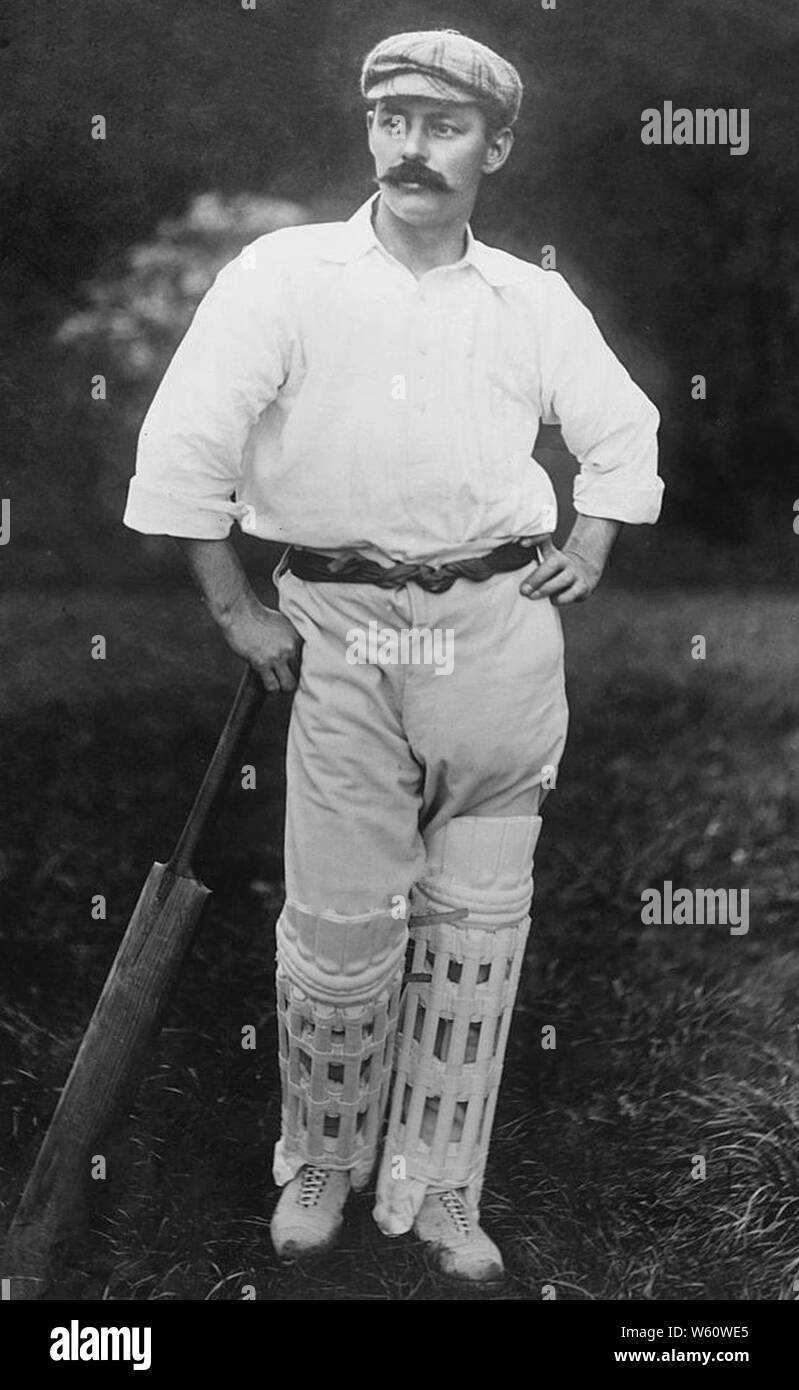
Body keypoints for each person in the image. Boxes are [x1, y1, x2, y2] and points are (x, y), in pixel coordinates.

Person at [123, 27, 663, 1284]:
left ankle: (439, 1183)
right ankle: (322, 1152)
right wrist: (232, 613)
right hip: (341, 626)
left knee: (476, 915)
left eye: (446, 125)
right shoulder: (285, 275)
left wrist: (588, 536)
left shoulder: (529, 298)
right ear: (371, 131)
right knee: (343, 908)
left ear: (496, 145)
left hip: (495, 626)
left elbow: (619, 425)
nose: (413, 150)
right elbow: (188, 443)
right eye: (393, 121)